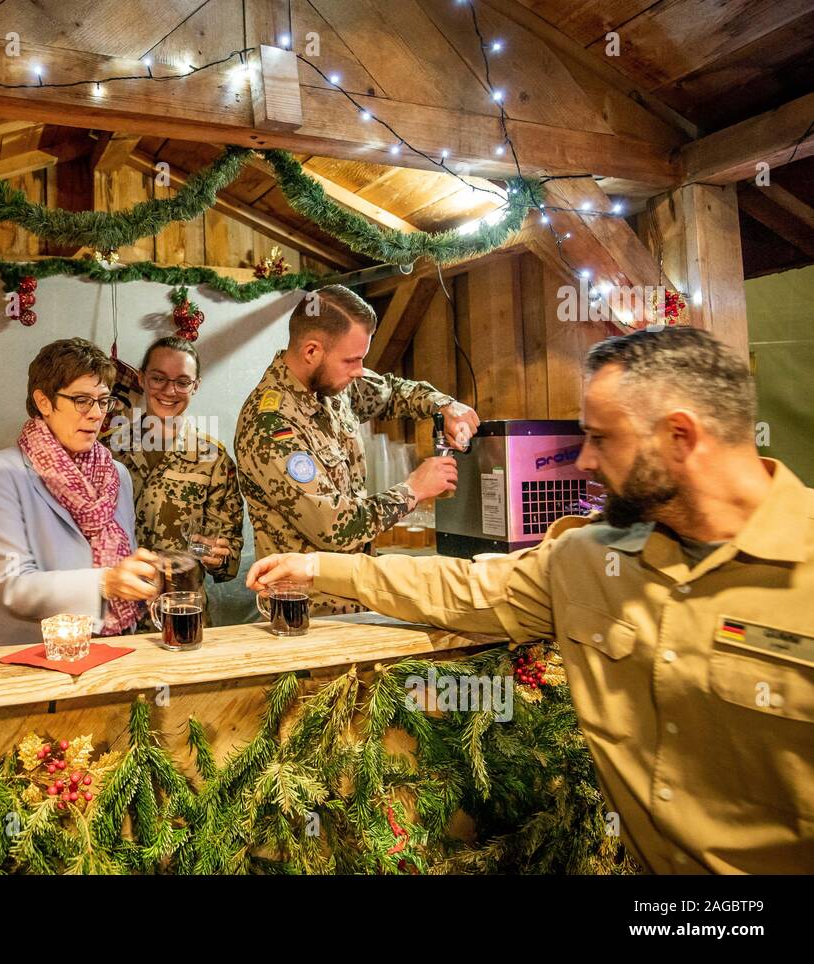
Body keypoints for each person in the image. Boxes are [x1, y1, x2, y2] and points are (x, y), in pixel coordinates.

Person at [248, 326, 814, 874]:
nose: (584, 462)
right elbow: (460, 587)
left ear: (680, 437)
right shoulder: (589, 560)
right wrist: (319, 566)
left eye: (601, 437)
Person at [235, 283, 479, 613]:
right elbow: (337, 528)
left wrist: (444, 405)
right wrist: (413, 490)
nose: (360, 371)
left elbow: (391, 392)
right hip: (306, 613)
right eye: (352, 360)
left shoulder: (335, 385)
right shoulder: (271, 424)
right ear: (311, 352)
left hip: (357, 599)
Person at [0, 338, 159, 648]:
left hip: (105, 650)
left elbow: (123, 561)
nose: (97, 414)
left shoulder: (117, 475)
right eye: (82, 400)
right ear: (44, 402)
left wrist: (143, 577)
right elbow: (14, 586)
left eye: (103, 400)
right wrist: (104, 582)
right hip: (21, 656)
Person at [109, 336, 244, 588]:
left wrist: (218, 557)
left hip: (182, 612)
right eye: (158, 378)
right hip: (117, 615)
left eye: (182, 382)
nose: (170, 391)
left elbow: (229, 562)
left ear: (196, 386)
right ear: (141, 378)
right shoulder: (107, 450)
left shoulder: (213, 460)